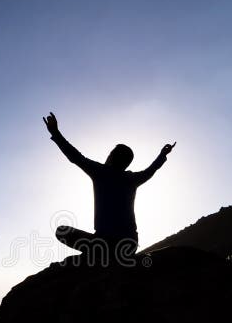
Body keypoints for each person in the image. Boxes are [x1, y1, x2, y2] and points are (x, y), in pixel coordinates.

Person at [44, 112, 175, 261]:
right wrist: (162, 155)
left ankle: (98, 255)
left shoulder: (100, 172)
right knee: (94, 243)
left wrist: (55, 133)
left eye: (110, 153)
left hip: (105, 243)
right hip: (129, 245)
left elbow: (75, 156)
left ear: (112, 156)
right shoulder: (132, 179)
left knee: (62, 231)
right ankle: (100, 254)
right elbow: (151, 170)